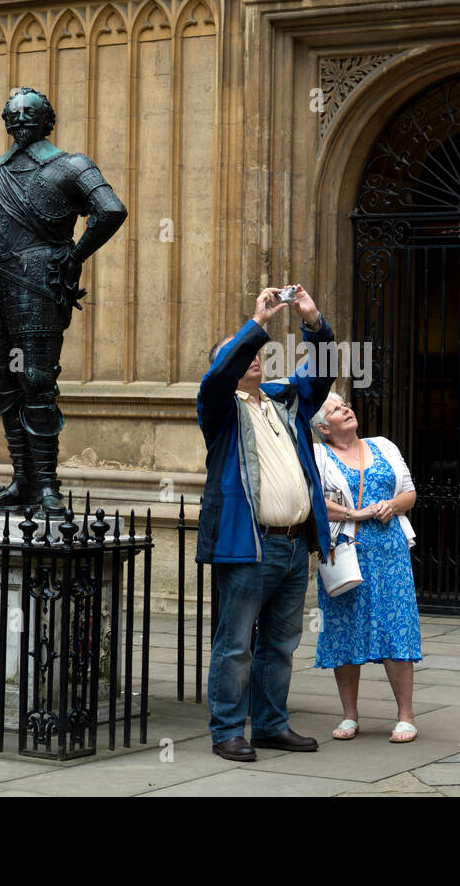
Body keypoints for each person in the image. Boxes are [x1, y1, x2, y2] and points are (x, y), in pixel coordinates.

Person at [0, 87, 127, 514]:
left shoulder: (72, 166)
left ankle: (48, 487)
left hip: (36, 285)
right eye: (12, 116)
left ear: (46, 119)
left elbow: (111, 210)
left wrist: (73, 257)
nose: (20, 122)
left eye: (28, 115)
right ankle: (23, 480)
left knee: (36, 379)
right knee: (4, 379)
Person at [196, 285, 337, 762]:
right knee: (235, 644)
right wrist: (257, 324)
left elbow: (320, 374)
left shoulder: (283, 401)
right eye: (244, 355)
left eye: (259, 354)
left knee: (280, 643)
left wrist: (312, 321)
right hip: (248, 545)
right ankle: (228, 730)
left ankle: (271, 725)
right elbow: (218, 376)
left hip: (296, 545)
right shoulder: (218, 409)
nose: (255, 358)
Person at [310, 392, 421, 743]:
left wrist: (392, 504)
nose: (346, 409)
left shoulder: (383, 446)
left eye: (346, 405)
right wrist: (353, 514)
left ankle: (405, 716)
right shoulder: (318, 455)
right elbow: (313, 502)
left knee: (395, 626)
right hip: (345, 552)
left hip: (390, 553)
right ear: (323, 428)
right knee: (345, 630)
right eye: (336, 409)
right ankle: (349, 715)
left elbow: (410, 493)